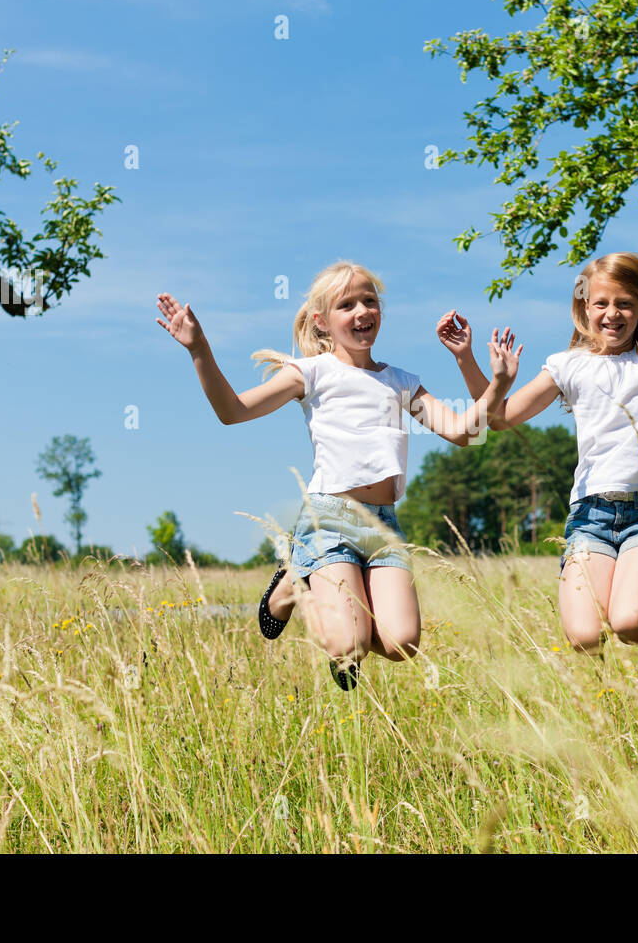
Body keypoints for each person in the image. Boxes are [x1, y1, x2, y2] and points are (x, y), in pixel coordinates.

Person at [155, 260, 521, 689]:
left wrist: (494, 381)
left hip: (383, 524)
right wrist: (199, 349)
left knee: (403, 643)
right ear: (322, 321)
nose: (362, 311)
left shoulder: (401, 381)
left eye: (369, 301)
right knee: (350, 644)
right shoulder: (311, 373)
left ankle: (303, 580)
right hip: (329, 519)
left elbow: (463, 433)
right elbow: (232, 412)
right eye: (346, 305)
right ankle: (294, 584)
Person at [441, 219, 638, 651]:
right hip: (589, 515)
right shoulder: (567, 364)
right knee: (585, 637)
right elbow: (499, 418)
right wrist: (472, 365)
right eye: (602, 303)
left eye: (625, 303)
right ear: (585, 307)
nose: (613, 314)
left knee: (629, 624)